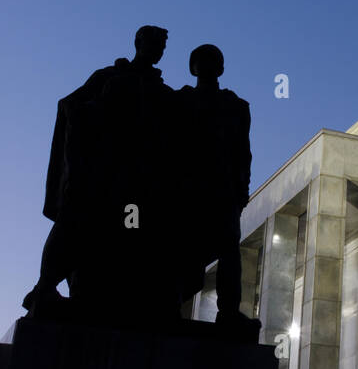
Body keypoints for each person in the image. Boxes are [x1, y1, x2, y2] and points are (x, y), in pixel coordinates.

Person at [23, 25, 171, 317]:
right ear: (138, 43)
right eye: (153, 42)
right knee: (75, 226)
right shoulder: (109, 77)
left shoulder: (160, 91)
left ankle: (98, 294)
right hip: (100, 170)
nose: (158, 50)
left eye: (162, 46)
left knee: (126, 234)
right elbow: (70, 105)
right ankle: (45, 287)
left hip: (135, 177)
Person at [175, 44, 259, 334]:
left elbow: (243, 152)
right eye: (201, 60)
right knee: (183, 249)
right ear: (192, 67)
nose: (207, 65)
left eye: (213, 60)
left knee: (229, 250)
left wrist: (241, 188)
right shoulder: (181, 100)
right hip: (187, 189)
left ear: (221, 68)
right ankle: (171, 304)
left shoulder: (235, 106)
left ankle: (228, 312)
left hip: (222, 190)